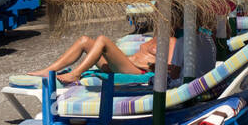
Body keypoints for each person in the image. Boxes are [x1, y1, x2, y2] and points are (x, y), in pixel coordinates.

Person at [27, 31, 179, 85]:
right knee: (85, 40)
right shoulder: (156, 37)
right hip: (125, 64)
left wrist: (143, 63)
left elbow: (171, 69)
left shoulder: (172, 41)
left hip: (137, 71)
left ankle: (75, 74)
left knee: (102, 40)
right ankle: (48, 70)